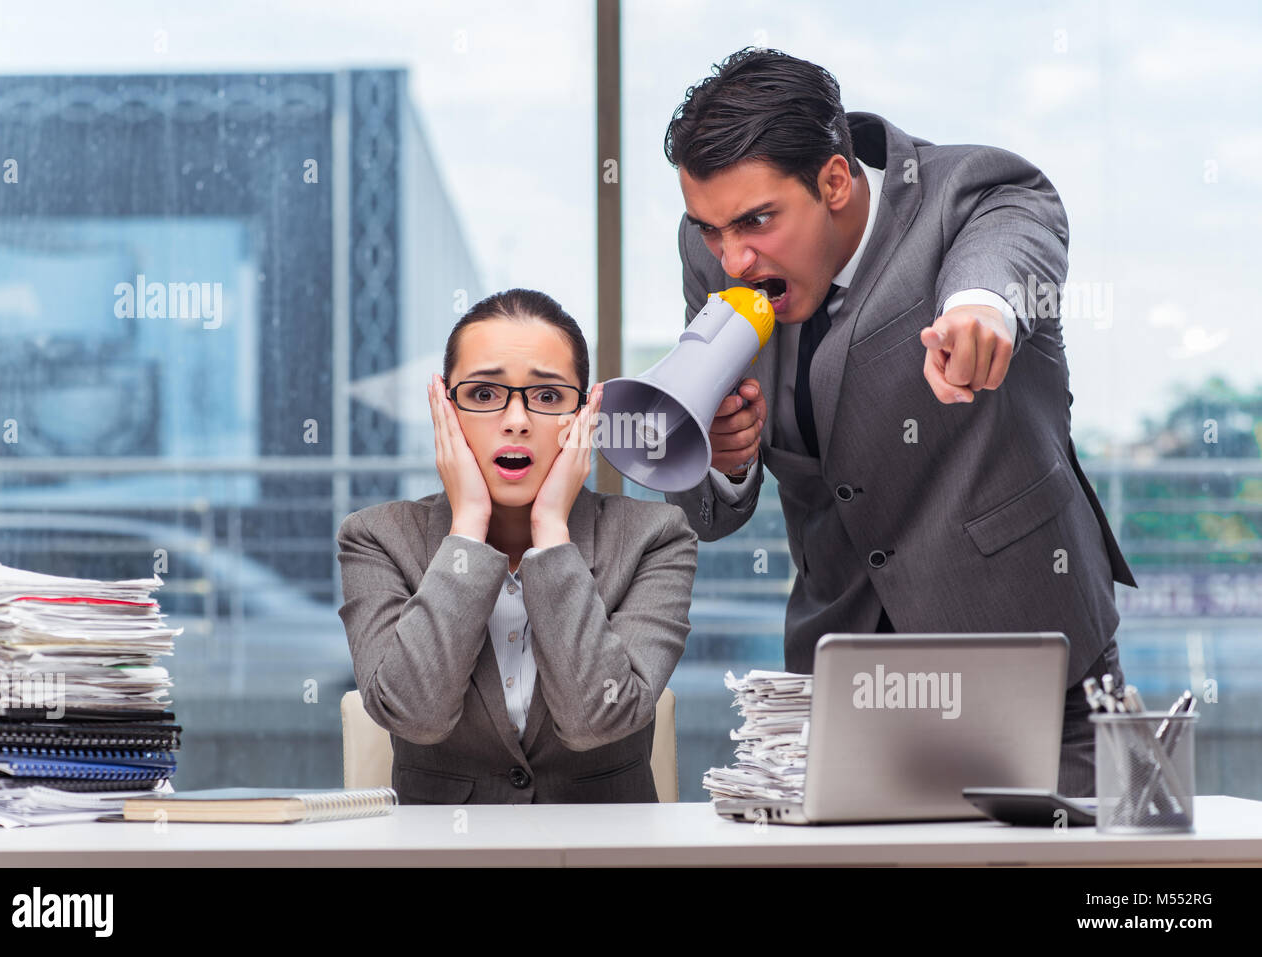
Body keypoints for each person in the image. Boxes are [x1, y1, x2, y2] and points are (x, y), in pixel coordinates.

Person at [660, 48, 1137, 797]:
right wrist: (724, 457)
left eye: (756, 221)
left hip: (1038, 670)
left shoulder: (974, 193)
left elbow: (1004, 253)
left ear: (835, 181)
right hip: (846, 679)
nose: (735, 260)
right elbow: (710, 513)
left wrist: (980, 311)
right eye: (712, 230)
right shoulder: (713, 252)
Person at [336, 288, 699, 804]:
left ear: (586, 414)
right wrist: (467, 525)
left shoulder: (655, 538)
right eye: (484, 394)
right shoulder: (377, 537)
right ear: (445, 409)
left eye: (548, 397)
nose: (517, 420)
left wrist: (551, 530)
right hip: (440, 847)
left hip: (603, 845)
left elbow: (595, 721)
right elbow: (416, 715)